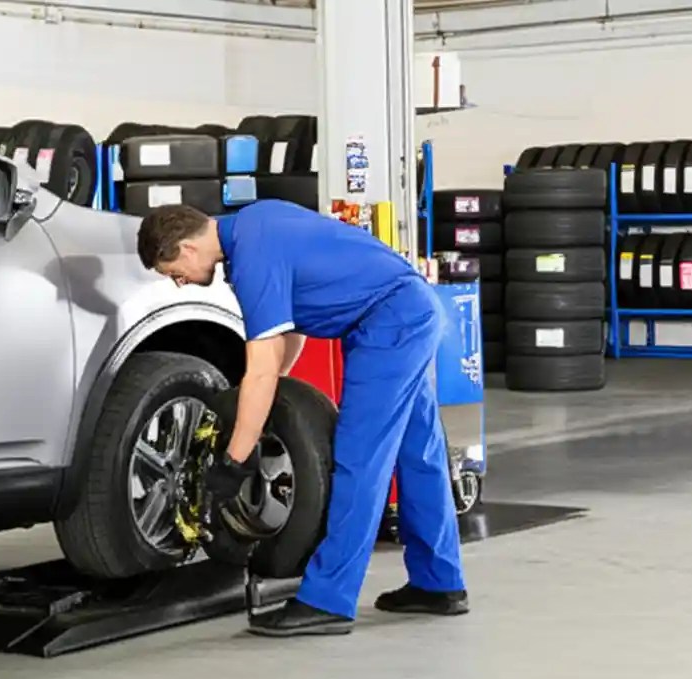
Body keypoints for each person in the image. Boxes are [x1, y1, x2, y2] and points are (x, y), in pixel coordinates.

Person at [137, 200, 467, 637]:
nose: (179, 283)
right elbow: (286, 332)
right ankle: (438, 582)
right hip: (406, 313)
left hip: (388, 325)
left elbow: (260, 365)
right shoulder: (255, 228)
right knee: (416, 453)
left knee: (358, 459)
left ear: (186, 247)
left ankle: (328, 600)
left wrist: (236, 459)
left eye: (173, 271)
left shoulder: (252, 258)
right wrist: (273, 400)